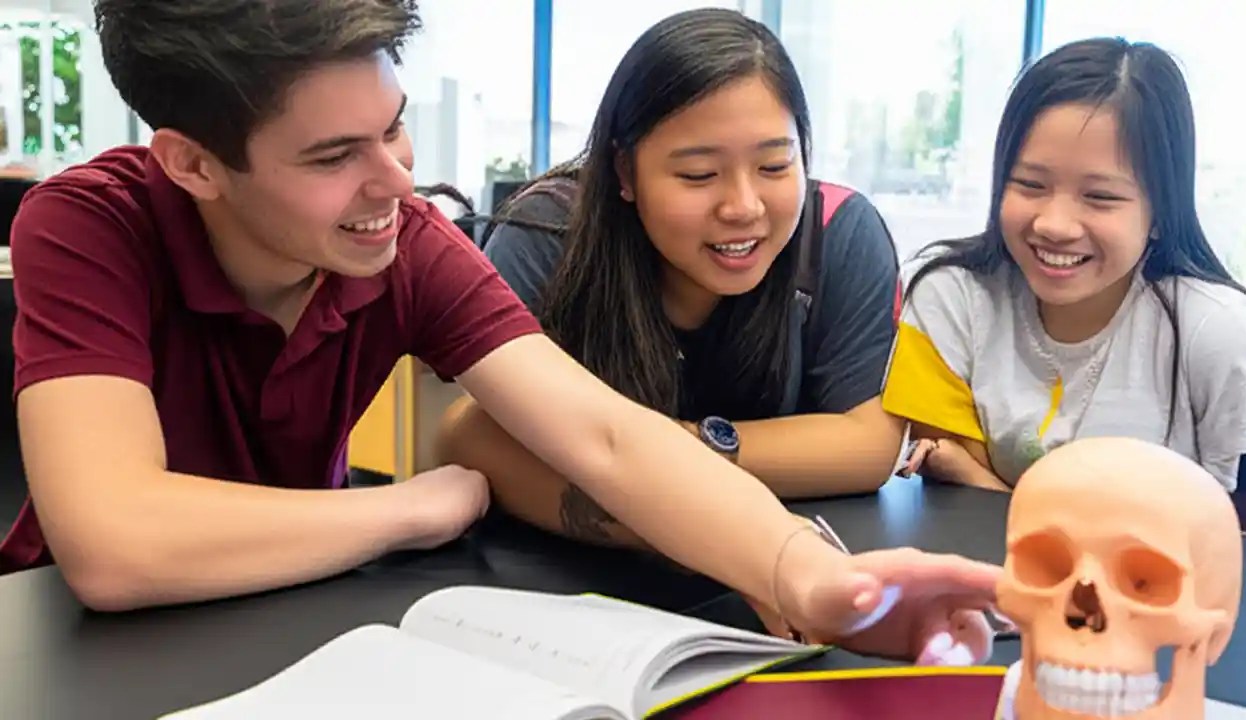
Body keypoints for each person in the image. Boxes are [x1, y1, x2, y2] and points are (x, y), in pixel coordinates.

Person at [0, 0, 996, 664]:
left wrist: (807, 577)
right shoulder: (89, 225)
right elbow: (115, 543)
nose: (395, 185)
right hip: (71, 639)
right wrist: (409, 510)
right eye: (334, 155)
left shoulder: (406, 244)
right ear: (192, 164)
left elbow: (604, 434)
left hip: (289, 613)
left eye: (391, 126)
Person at [435, 8, 906, 549]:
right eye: (698, 175)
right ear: (624, 172)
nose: (744, 207)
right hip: (575, 574)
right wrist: (712, 528)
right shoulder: (547, 238)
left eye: (774, 166)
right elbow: (473, 437)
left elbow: (868, 445)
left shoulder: (837, 232)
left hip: (788, 562)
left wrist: (658, 456)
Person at [886, 37, 1246, 493]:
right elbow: (958, 505)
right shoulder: (950, 296)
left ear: (1160, 212)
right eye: (1030, 184)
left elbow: (1244, 533)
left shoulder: (1217, 331)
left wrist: (978, 477)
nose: (1054, 225)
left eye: (1100, 197)